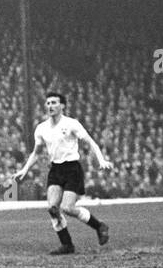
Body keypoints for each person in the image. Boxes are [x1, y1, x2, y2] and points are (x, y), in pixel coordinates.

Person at [13, 92, 113, 254]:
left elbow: (90, 142)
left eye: (54, 103)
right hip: (55, 169)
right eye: (48, 103)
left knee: (67, 208)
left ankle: (99, 225)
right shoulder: (41, 128)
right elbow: (36, 152)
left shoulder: (71, 124)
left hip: (72, 169)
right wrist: (25, 169)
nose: (50, 106)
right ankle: (67, 244)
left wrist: (101, 160)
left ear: (62, 106)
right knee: (52, 208)